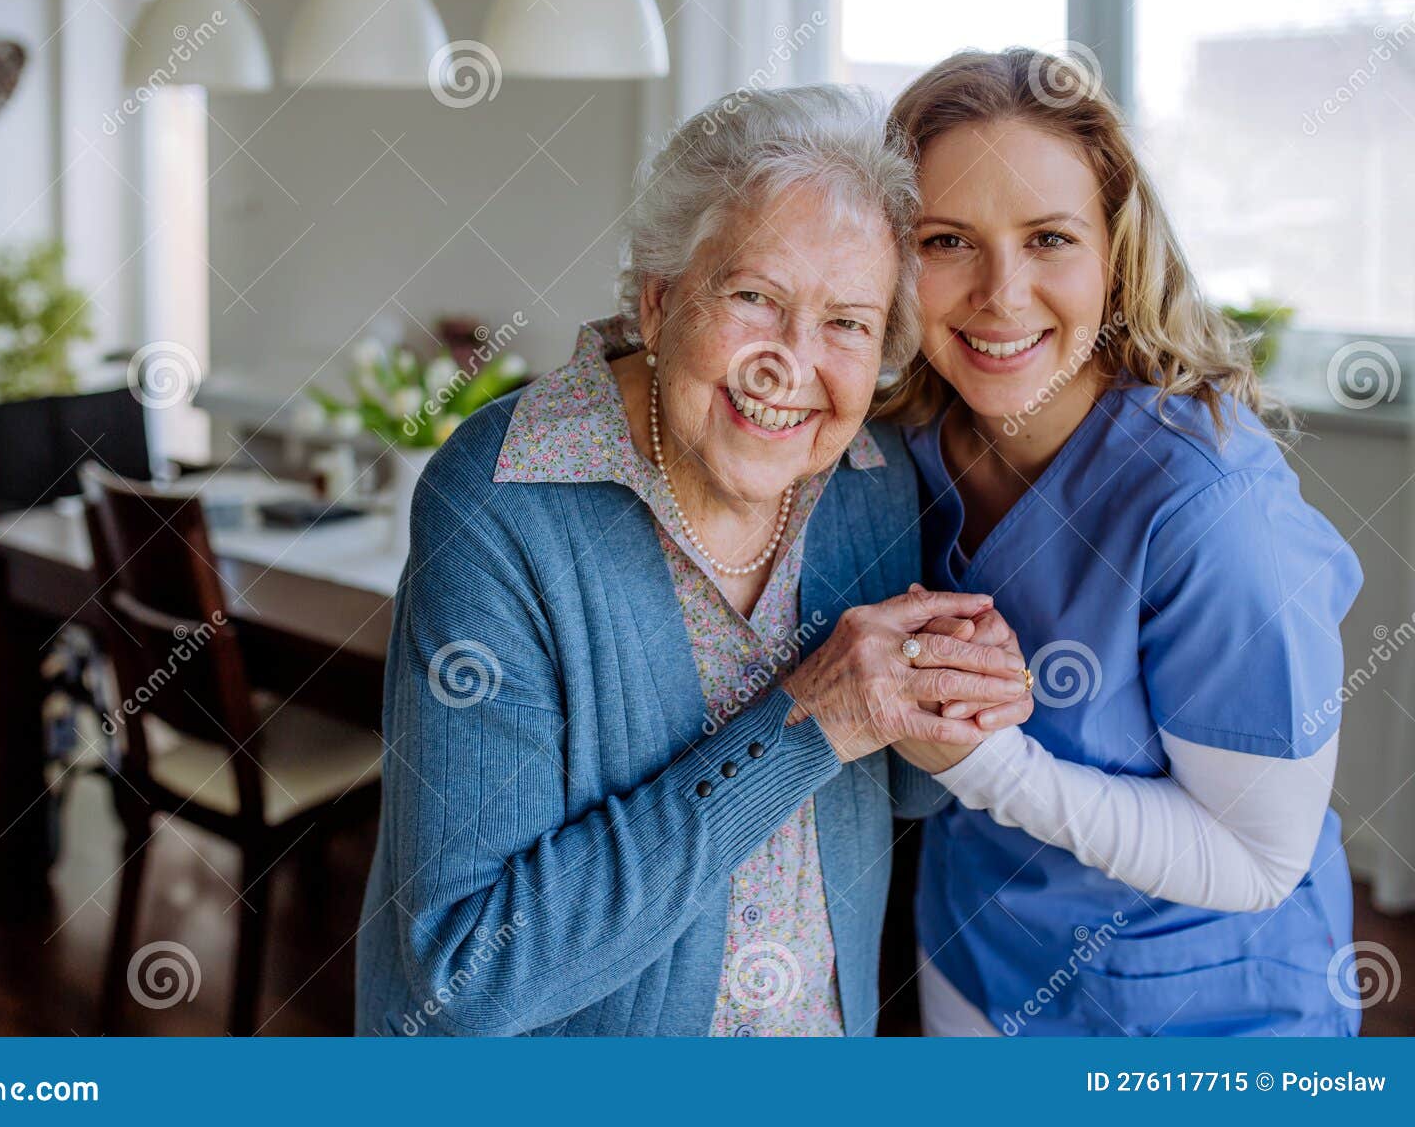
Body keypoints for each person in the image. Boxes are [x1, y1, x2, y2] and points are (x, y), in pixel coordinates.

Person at [354, 85, 1031, 1037]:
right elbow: (464, 978)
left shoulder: (868, 477)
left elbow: (899, 794)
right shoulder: (504, 500)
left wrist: (950, 683)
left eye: (847, 323)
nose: (791, 365)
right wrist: (807, 723)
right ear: (662, 297)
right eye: (756, 297)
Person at [878, 49, 1363, 1036]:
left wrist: (980, 762)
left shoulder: (1212, 510)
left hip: (1199, 1008)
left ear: (1115, 251)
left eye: (1049, 237)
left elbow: (1258, 861)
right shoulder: (902, 445)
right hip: (974, 950)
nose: (1000, 294)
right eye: (945, 240)